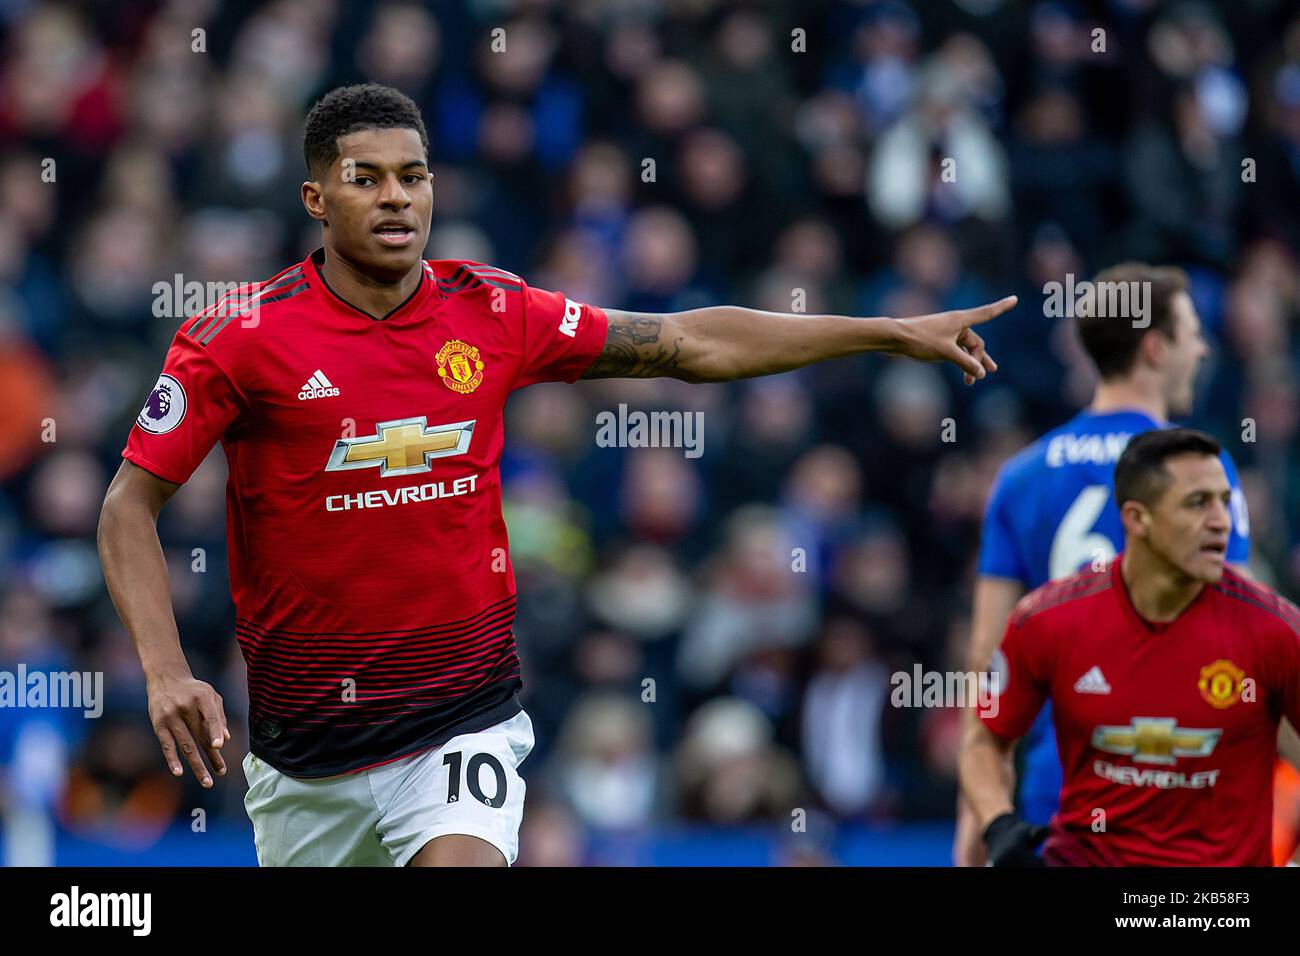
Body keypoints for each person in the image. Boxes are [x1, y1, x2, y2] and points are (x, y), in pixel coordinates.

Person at [97, 83, 1016, 867]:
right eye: (364, 178)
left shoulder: (493, 310)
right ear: (313, 197)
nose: (396, 199)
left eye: (412, 177)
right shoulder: (240, 337)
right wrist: (167, 669)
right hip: (305, 758)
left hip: (462, 717)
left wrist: (885, 331)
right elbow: (127, 507)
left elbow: (688, 341)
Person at [952, 262, 1259, 865]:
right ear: (1154, 347)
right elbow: (1242, 637)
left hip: (1053, 791)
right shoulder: (1201, 474)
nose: (1202, 348)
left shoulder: (1021, 476)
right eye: (1191, 332)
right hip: (1175, 792)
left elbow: (987, 654)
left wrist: (980, 809)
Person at [960, 428, 1300, 866]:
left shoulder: (1274, 630)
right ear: (1137, 519)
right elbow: (984, 738)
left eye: (1224, 501)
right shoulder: (1048, 621)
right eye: (1198, 503)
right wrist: (998, 823)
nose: (1221, 521)